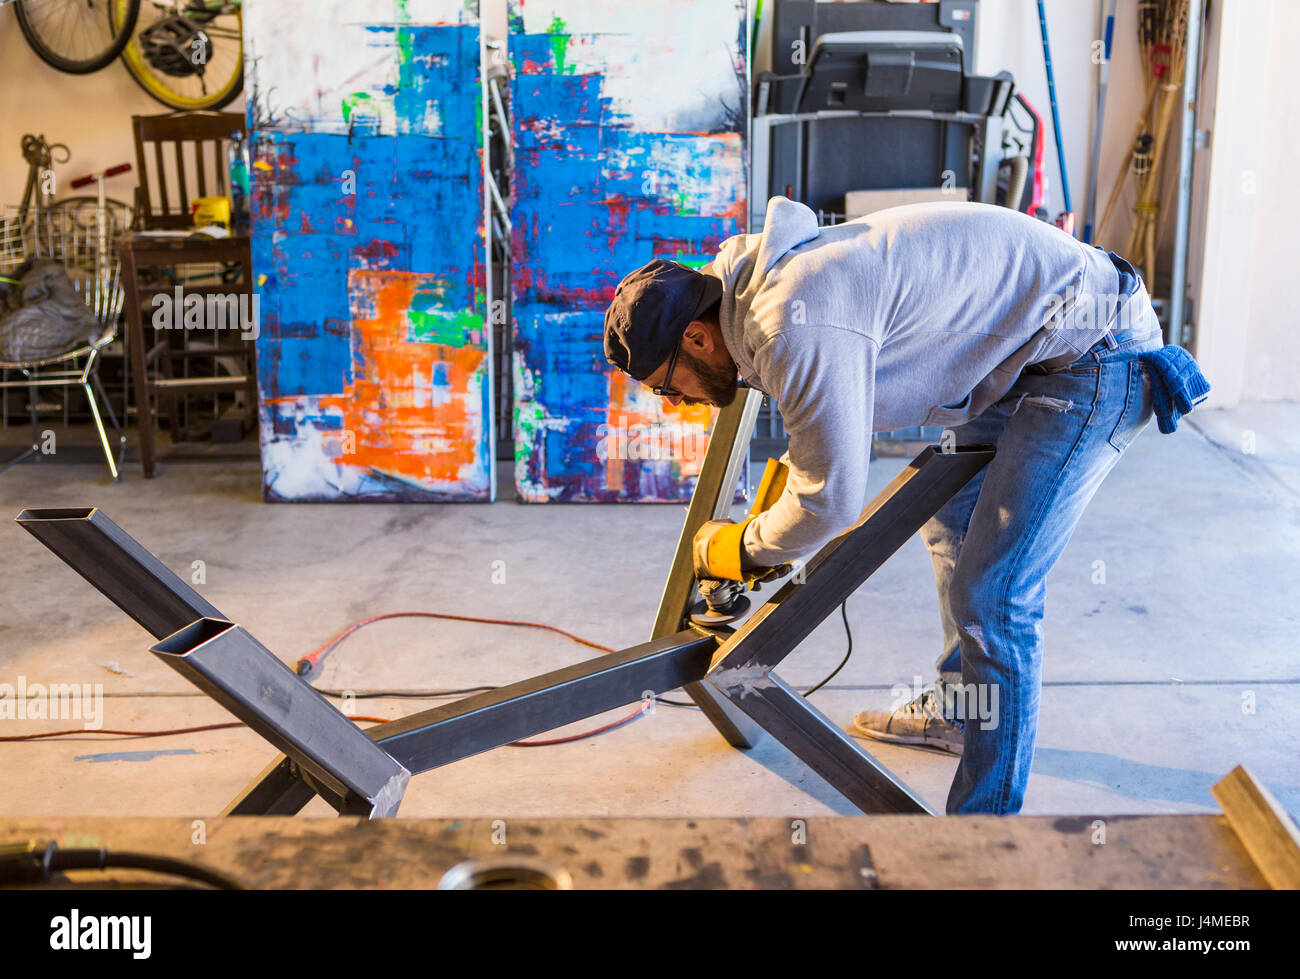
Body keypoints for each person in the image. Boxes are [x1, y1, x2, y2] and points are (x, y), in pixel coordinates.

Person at [602, 196, 1208, 815]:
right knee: (948, 518)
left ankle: (984, 833)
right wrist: (773, 528)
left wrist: (743, 545)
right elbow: (814, 443)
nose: (673, 403)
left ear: (697, 336)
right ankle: (957, 709)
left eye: (663, 386)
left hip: (1097, 355)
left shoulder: (792, 322)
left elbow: (830, 501)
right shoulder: (745, 294)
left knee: (994, 595)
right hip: (1022, 352)